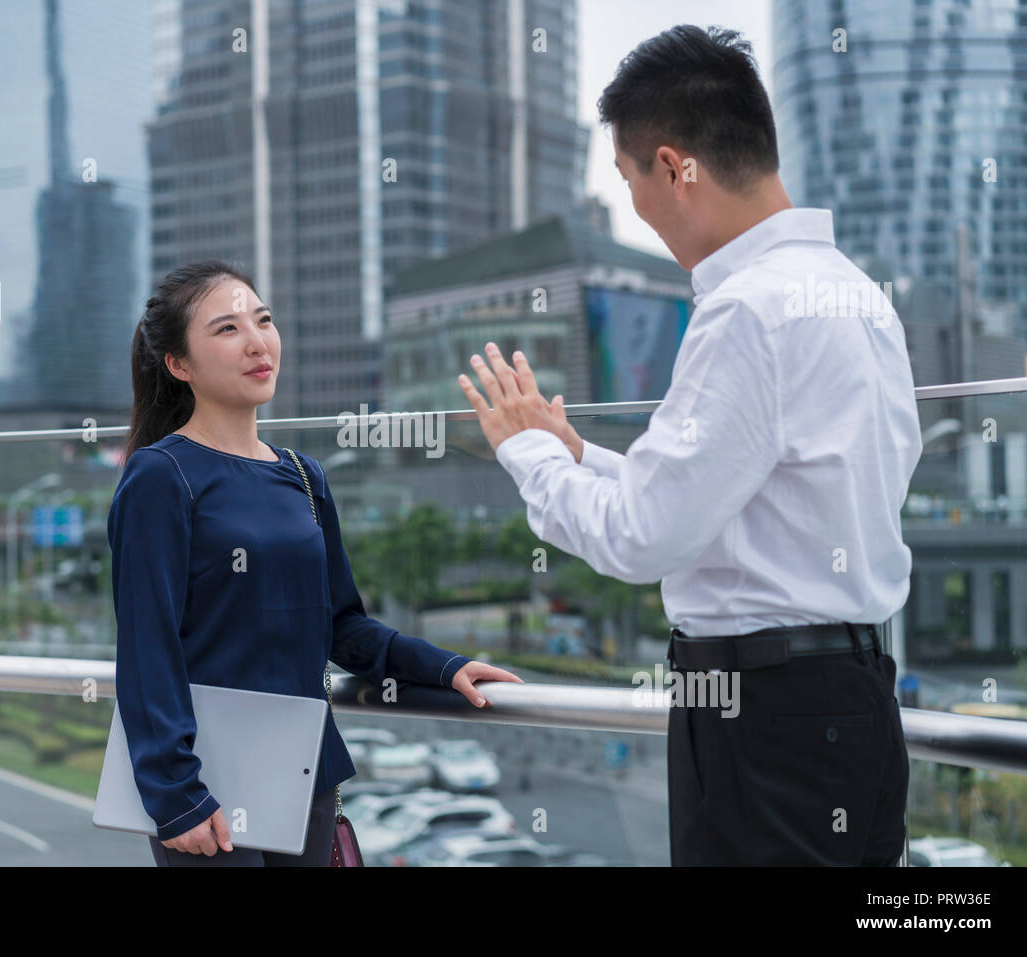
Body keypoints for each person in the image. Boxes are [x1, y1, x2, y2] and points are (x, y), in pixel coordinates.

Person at [456, 25, 921, 865]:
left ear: (674, 168)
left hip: (761, 722)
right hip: (853, 704)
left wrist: (525, 453)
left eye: (632, 178)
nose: (638, 204)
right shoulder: (857, 295)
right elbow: (745, 496)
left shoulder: (745, 310)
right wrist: (576, 454)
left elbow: (643, 536)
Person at [108, 259, 521, 866]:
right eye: (226, 329)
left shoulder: (303, 475)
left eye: (263, 320)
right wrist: (174, 793)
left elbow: (340, 625)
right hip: (205, 786)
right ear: (179, 365)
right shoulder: (161, 476)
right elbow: (148, 646)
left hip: (304, 769)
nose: (257, 342)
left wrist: (442, 666)